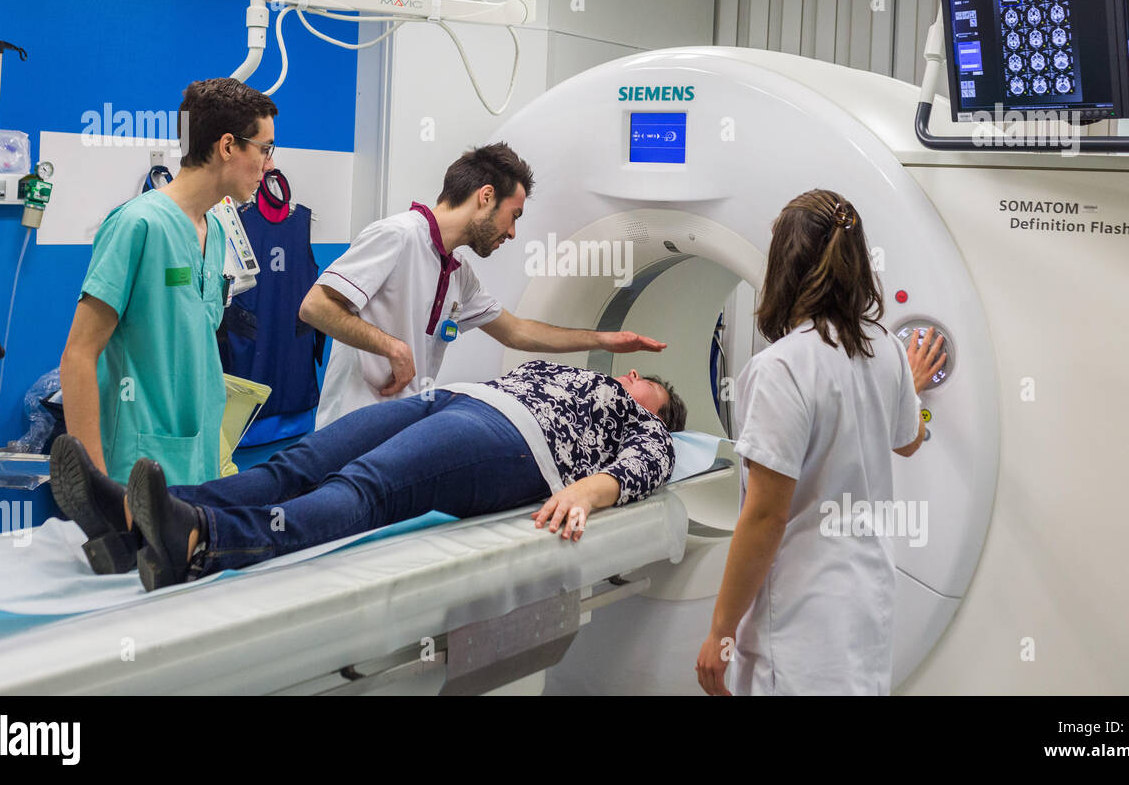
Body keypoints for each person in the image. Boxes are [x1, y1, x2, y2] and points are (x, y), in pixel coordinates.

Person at [49, 360, 688, 591]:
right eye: (635, 378)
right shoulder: (577, 372)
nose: (633, 384)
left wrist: (584, 491)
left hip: (515, 444)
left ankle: (203, 539)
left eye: (648, 391)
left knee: (363, 488)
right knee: (295, 463)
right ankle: (131, 521)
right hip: (458, 398)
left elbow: (643, 467)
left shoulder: (646, 429)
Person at [695, 189, 946, 696]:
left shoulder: (780, 367)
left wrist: (721, 632)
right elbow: (909, 441)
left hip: (800, 616)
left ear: (783, 266)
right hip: (866, 602)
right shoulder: (885, 353)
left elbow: (766, 516)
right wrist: (911, 392)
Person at [57, 79, 277, 573]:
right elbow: (78, 354)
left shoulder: (216, 229)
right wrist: (97, 487)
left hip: (198, 463)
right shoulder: (138, 225)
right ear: (227, 147)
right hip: (134, 468)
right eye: (264, 149)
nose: (269, 166)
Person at [300, 143, 668, 428]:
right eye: (514, 216)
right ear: (486, 196)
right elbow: (315, 306)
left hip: (398, 427)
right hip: (349, 424)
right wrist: (392, 347)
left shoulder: (459, 272)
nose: (511, 232)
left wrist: (606, 339)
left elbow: (517, 332)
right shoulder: (398, 235)